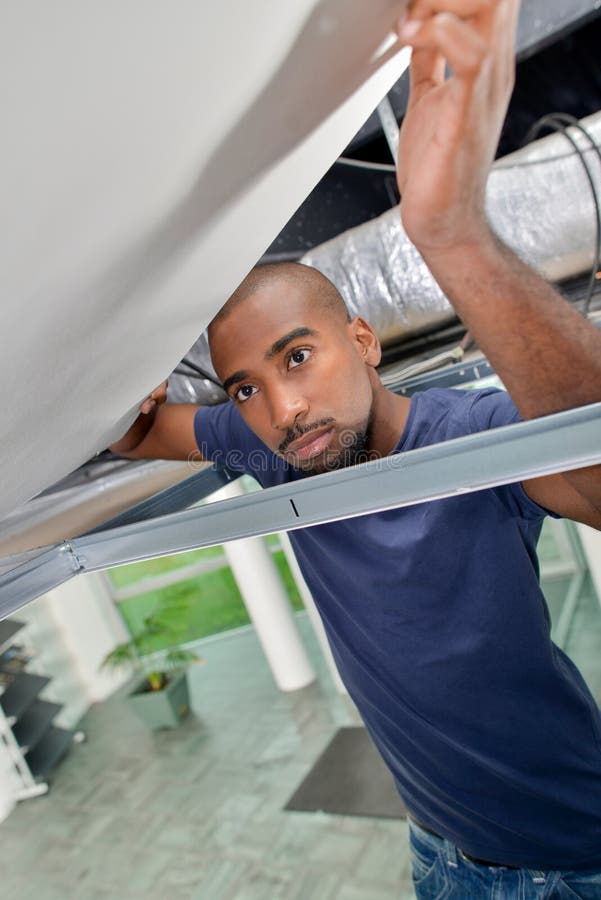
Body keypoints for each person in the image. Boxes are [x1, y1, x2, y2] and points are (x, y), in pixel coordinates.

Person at [111, 1, 601, 896]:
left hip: (570, 859)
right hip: (436, 855)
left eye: (298, 355)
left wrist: (448, 230)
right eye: (247, 386)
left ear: (365, 343)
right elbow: (142, 432)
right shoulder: (274, 443)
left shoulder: (472, 436)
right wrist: (109, 386)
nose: (282, 407)